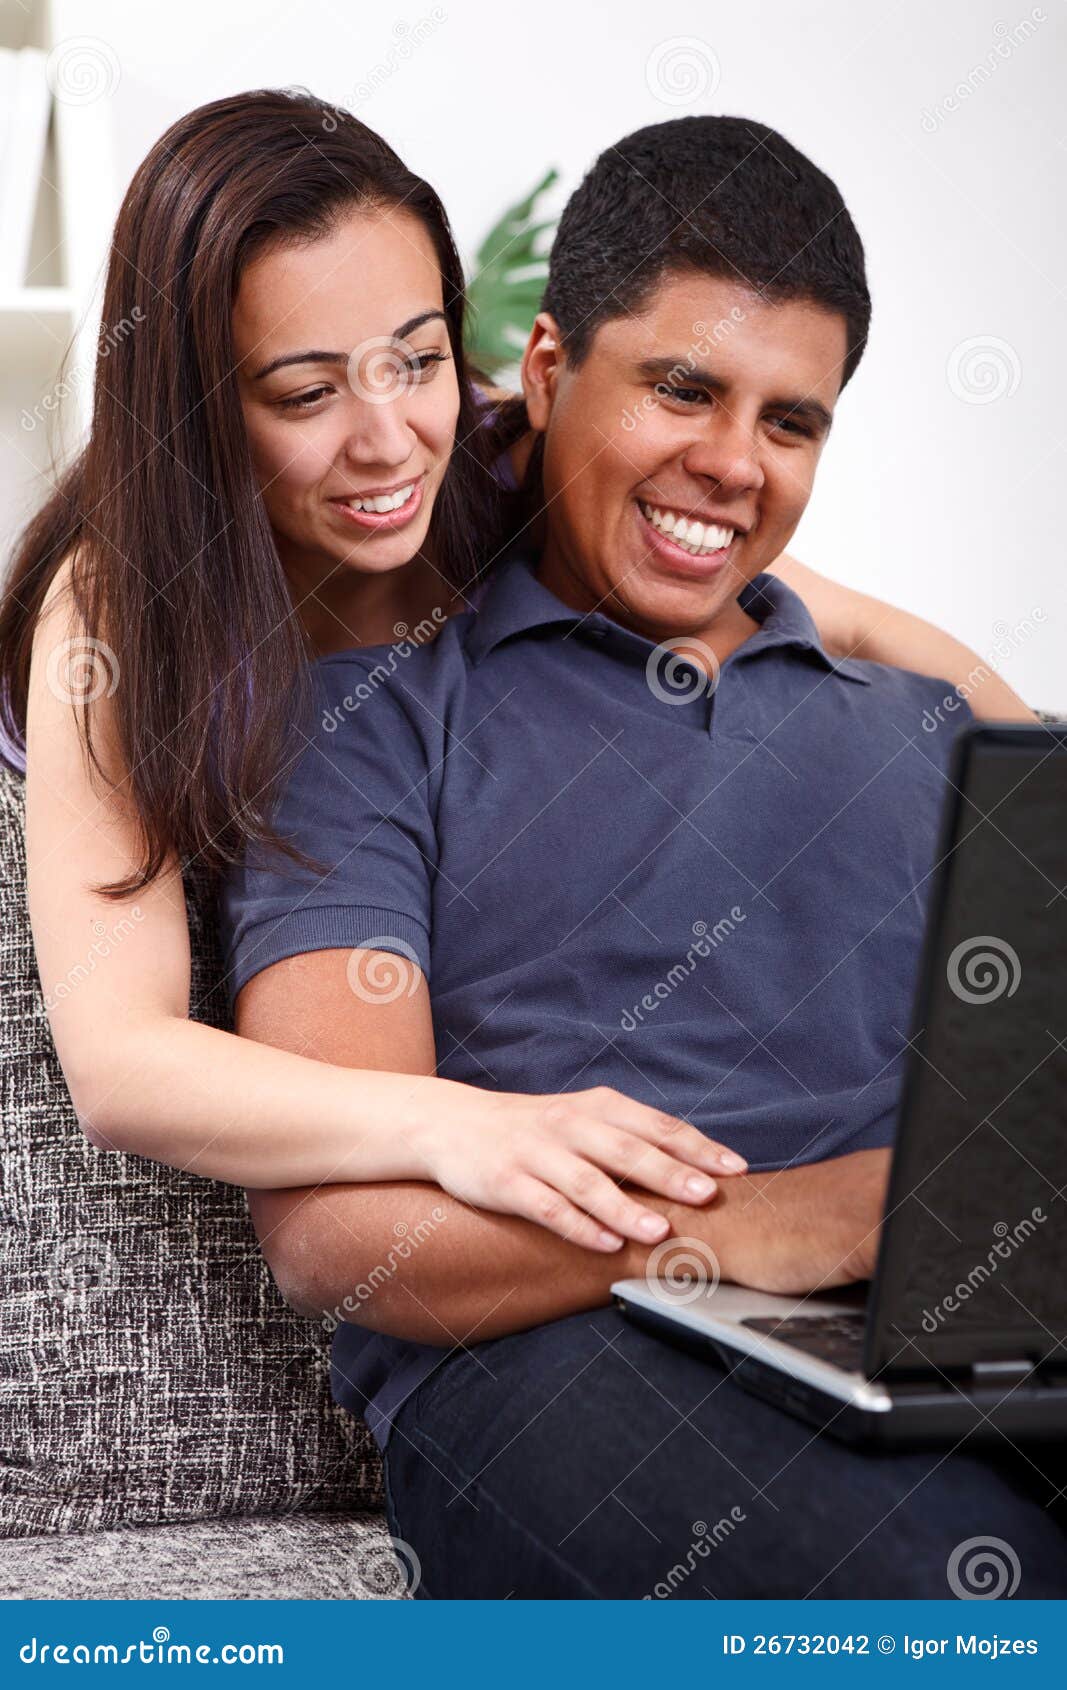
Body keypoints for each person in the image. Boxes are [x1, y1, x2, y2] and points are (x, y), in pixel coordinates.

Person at [221, 115, 1065, 1599]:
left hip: (928, 1330)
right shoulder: (371, 715)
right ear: (544, 370)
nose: (731, 465)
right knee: (942, 1587)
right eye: (681, 388)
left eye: (789, 422)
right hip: (547, 1365)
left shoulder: (927, 726)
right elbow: (342, 1238)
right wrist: (754, 1224)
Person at [1, 90, 1032, 1244]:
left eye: (419, 359)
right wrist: (456, 1124)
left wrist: (1031, 768)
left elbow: (849, 621)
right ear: (200, 406)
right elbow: (121, 1067)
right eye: (303, 392)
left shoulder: (494, 461)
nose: (389, 439)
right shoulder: (110, 607)